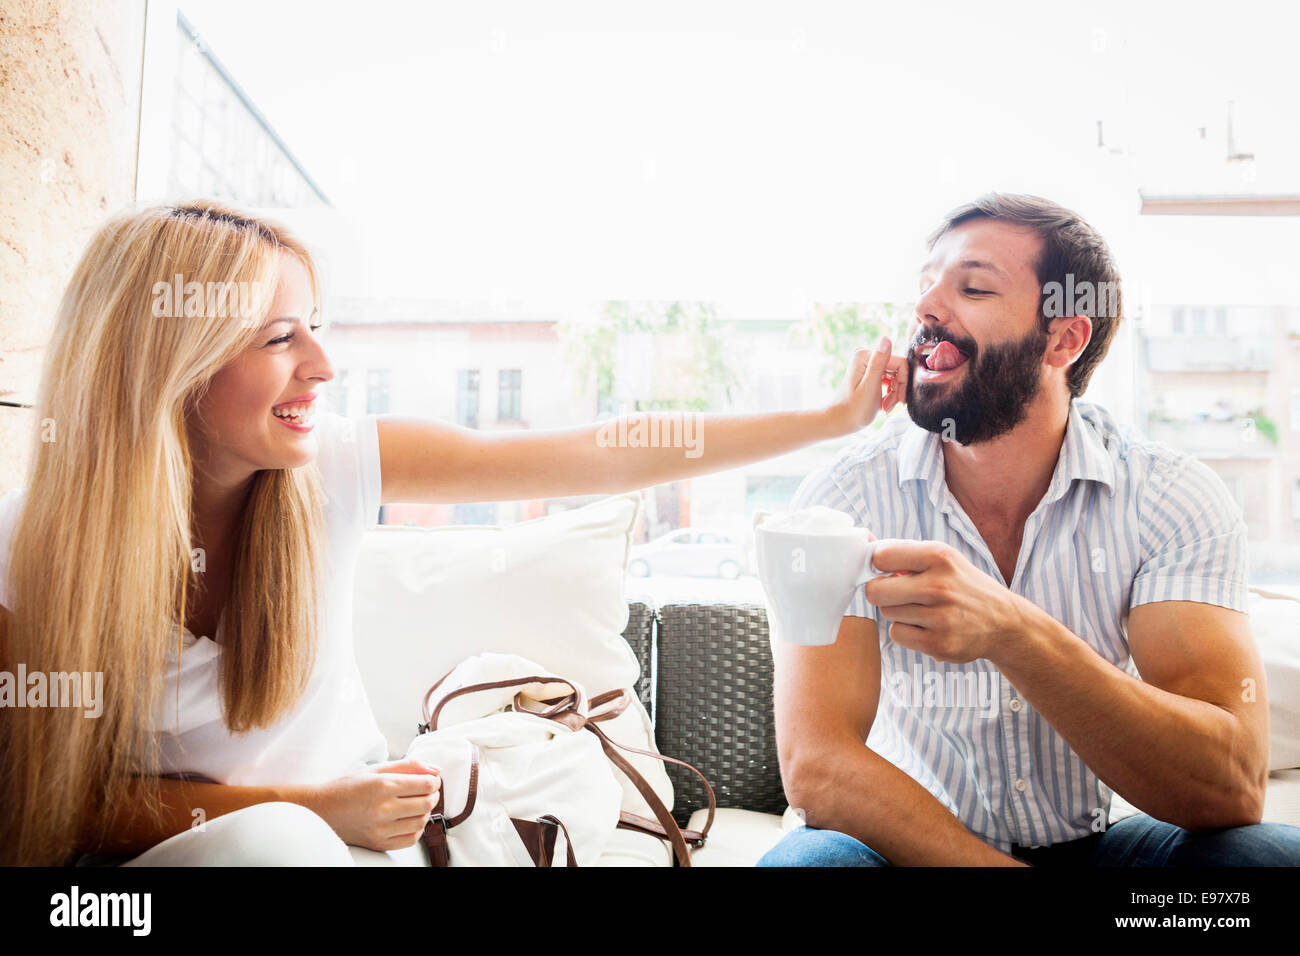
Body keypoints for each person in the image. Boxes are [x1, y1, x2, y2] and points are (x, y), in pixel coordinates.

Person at [0, 200, 908, 867]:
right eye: (281, 338)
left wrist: (827, 418)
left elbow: (596, 453)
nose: (323, 365)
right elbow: (56, 805)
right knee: (271, 843)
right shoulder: (27, 550)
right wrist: (313, 807)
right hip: (198, 866)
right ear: (170, 363)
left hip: (355, 846)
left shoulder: (335, 471)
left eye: (315, 328)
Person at [758, 192, 1300, 867]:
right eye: (927, 285)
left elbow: (1229, 788)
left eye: (974, 286)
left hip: (1095, 846)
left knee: (1264, 861)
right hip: (908, 850)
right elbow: (818, 765)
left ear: (1064, 339)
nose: (927, 308)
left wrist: (1014, 631)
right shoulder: (844, 498)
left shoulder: (1170, 497)